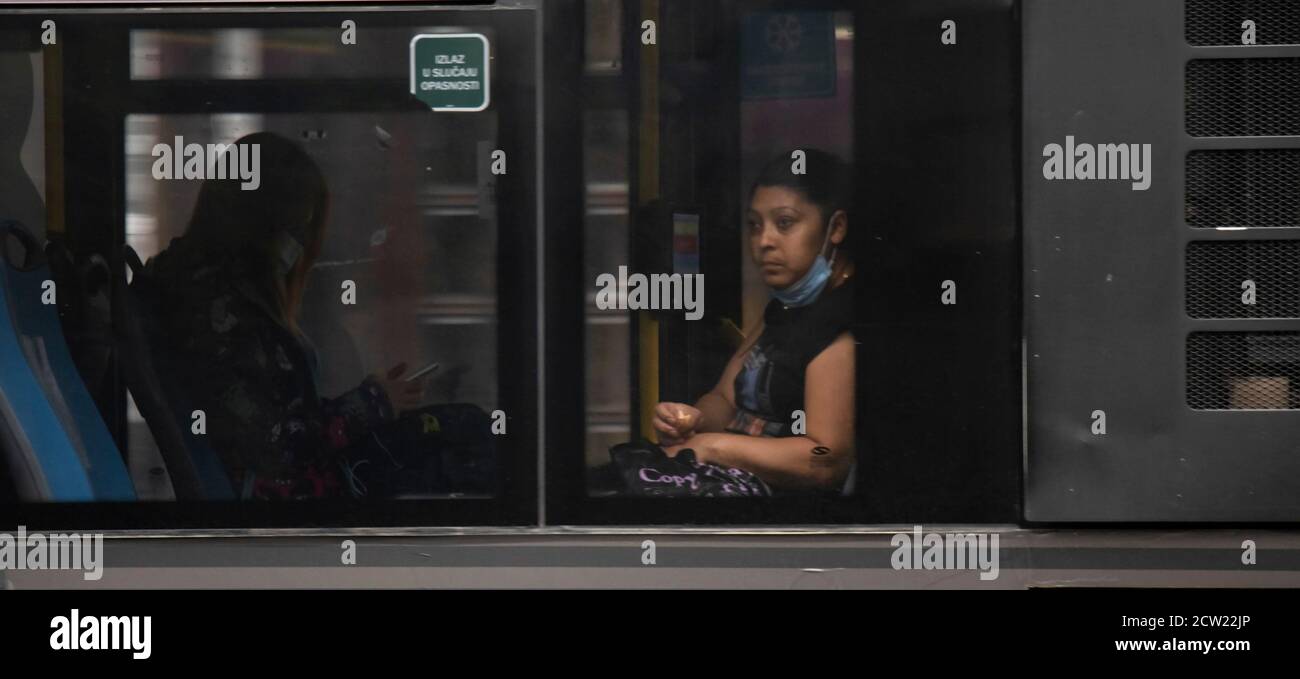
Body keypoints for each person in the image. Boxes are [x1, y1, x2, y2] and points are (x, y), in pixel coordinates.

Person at [139, 132, 427, 500]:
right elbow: (277, 446)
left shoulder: (199, 291)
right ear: (258, 222)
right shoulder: (215, 316)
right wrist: (372, 402)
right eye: (294, 227)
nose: (298, 246)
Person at [652, 149, 855, 492]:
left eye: (785, 223)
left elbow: (824, 459)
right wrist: (691, 421)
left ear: (834, 227)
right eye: (754, 225)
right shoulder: (784, 307)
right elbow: (723, 398)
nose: (764, 241)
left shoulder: (841, 325)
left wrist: (711, 448)